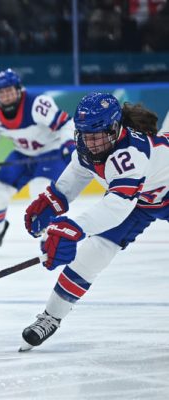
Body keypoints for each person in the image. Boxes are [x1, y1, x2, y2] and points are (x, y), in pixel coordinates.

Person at [20, 92, 169, 351]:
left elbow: (117, 206)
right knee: (92, 254)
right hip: (141, 204)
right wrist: (53, 200)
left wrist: (74, 228)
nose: (91, 142)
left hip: (148, 197)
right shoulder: (86, 146)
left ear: (115, 128)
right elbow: (77, 174)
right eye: (85, 135)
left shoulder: (131, 152)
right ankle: (51, 316)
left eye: (97, 135)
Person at [0, 68, 76, 255]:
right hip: (22, 154)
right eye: (1, 92)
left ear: (19, 89)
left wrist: (69, 143)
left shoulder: (38, 104)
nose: (6, 95)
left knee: (40, 191)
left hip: (51, 151)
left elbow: (65, 124)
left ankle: (49, 236)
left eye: (9, 90)